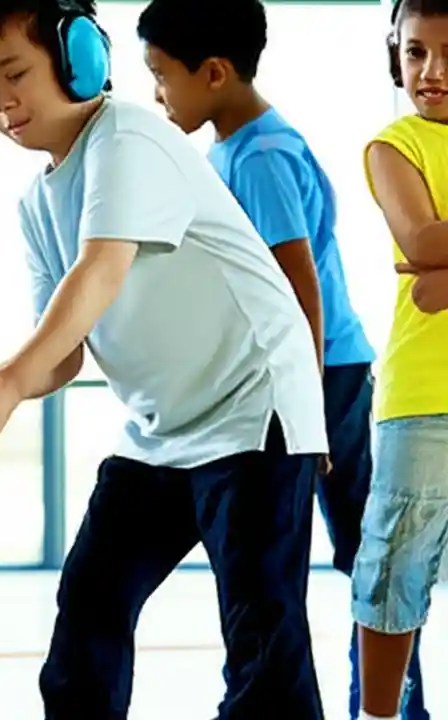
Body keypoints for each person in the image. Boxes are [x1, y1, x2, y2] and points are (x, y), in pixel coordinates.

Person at [0, 0, 329, 716]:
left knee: (261, 630)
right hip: (162, 433)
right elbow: (64, 356)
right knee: (92, 597)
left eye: (14, 73)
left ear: (78, 55)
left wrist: (12, 374)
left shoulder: (127, 139)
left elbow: (101, 273)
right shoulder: (37, 202)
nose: (0, 102)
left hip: (255, 409)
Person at [134, 2, 428, 717]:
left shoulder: (260, 157)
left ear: (213, 73)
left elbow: (299, 286)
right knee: (355, 551)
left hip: (322, 375)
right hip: (308, 375)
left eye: (161, 77)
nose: (156, 95)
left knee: (369, 554)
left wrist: (307, 412)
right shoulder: (233, 149)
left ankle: (393, 706)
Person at [350, 1, 448, 718]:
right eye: (415, 53)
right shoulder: (393, 145)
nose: (431, 73)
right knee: (394, 576)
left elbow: (438, 281)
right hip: (423, 400)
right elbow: (423, 247)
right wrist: (431, 267)